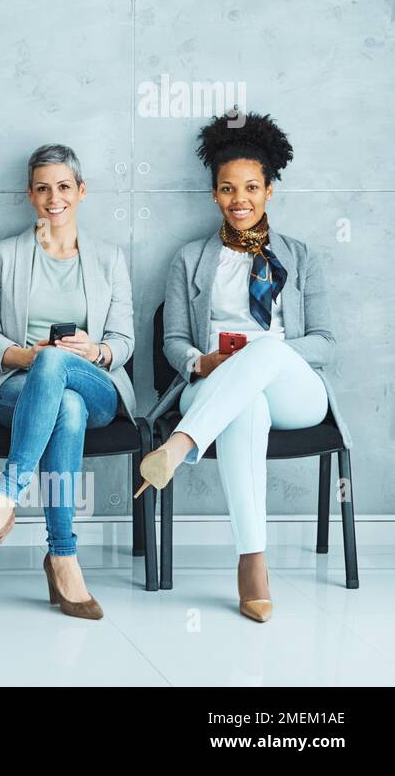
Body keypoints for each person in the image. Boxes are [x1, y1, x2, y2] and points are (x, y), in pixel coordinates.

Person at [137, 111, 345, 623]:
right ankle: (253, 561)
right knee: (244, 404)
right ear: (214, 194)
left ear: (270, 190)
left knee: (268, 347)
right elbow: (174, 343)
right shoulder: (190, 259)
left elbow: (325, 342)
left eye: (251, 187)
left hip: (295, 391)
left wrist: (262, 352)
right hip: (212, 386)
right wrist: (201, 361)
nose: (240, 200)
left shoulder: (300, 257)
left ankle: (179, 445)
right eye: (228, 189)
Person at [0, 144, 136, 619]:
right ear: (30, 196)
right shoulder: (2, 255)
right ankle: (63, 557)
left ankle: (3, 500)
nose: (53, 198)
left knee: (61, 372)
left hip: (95, 382)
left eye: (63, 187)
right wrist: (28, 355)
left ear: (80, 192)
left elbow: (124, 340)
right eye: (42, 189)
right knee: (64, 403)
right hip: (16, 388)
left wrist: (94, 350)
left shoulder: (109, 259)